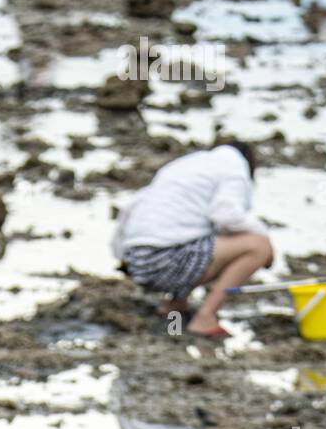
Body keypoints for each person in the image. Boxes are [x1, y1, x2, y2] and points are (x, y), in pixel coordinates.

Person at [112, 141, 273, 339]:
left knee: (195, 233)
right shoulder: (234, 169)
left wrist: (122, 257)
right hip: (165, 263)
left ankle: (174, 309)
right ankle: (205, 319)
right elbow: (226, 214)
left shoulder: (186, 165)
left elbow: (129, 210)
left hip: (138, 263)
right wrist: (266, 239)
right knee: (257, 246)